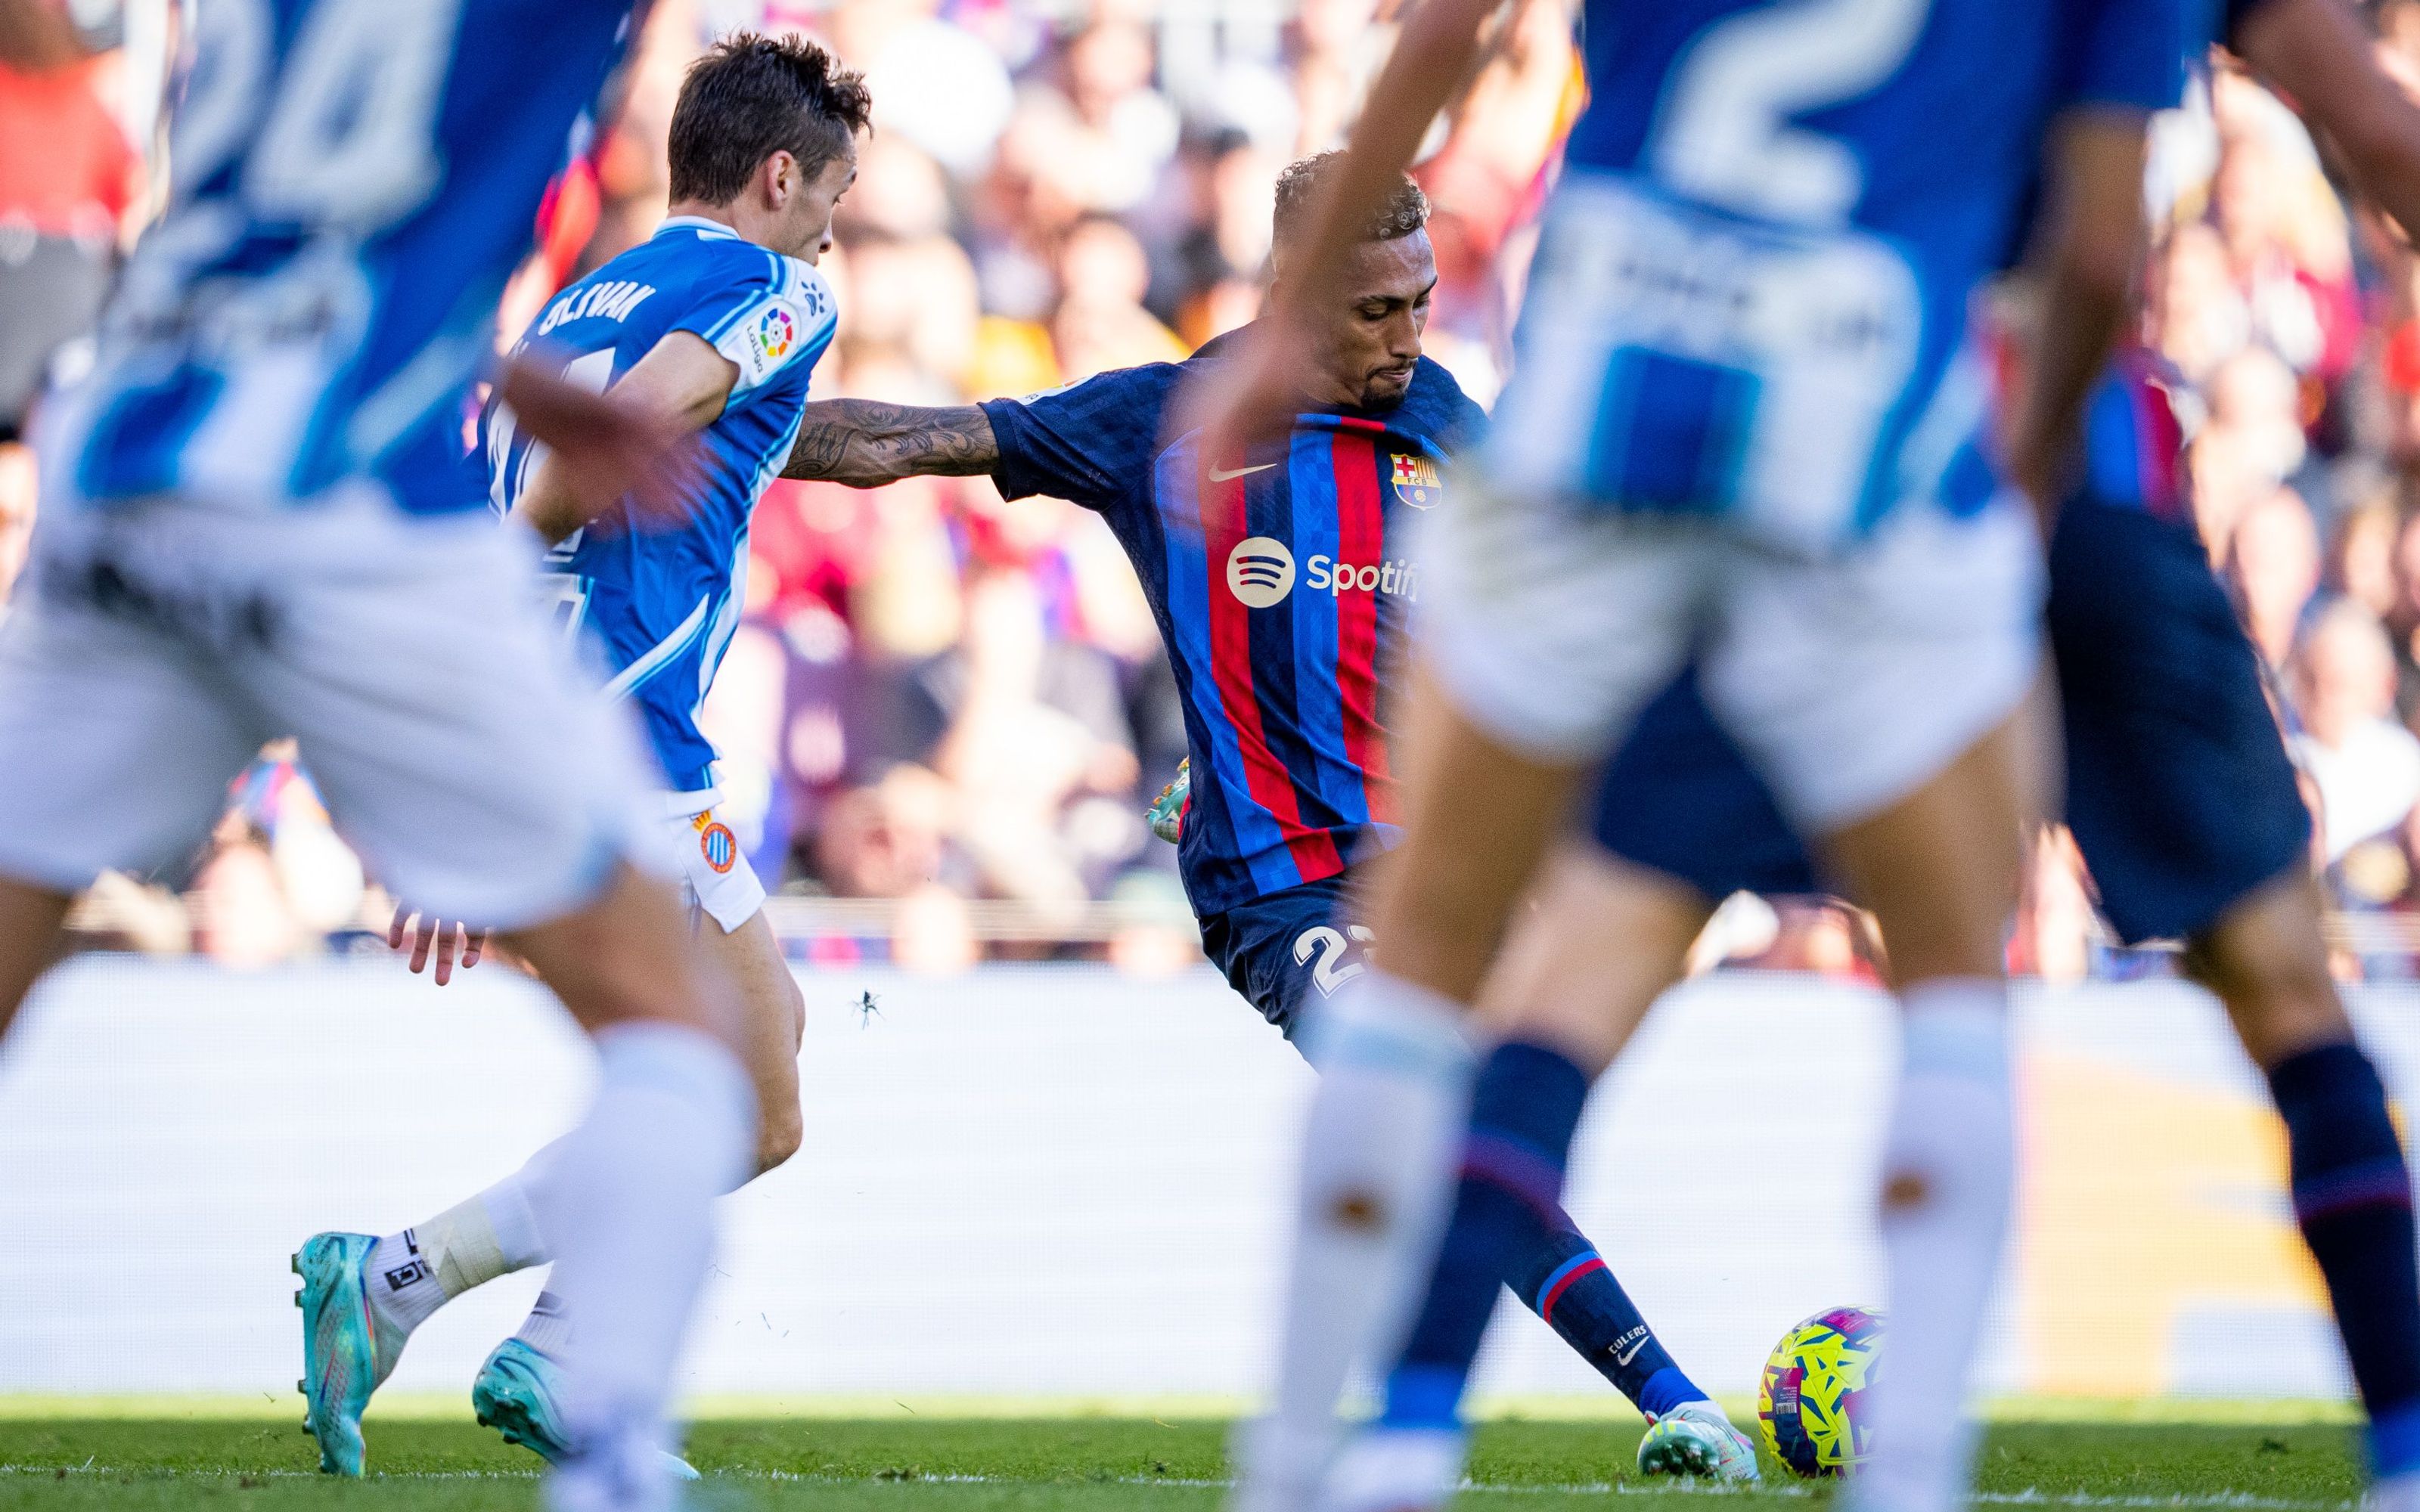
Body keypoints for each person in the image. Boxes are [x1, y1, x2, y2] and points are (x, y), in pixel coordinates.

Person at [1185, 3, 2181, 1512]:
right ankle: (1909, 1473)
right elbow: (2101, 252)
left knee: (1448, 974)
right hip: (1863, 456)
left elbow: (1454, 28)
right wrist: (2027, 476)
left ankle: (1353, 1451)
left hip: (1607, 424)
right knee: (1954, 986)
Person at [1539, 5, 2420, 1503]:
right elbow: (2282, 173)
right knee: (2277, 980)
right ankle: (2403, 1438)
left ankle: (1395, 1424)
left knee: (1602, 960)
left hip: (1813, 484)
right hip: (2081, 485)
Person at [777, 151, 1758, 1483]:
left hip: (1437, 881)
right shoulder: (1171, 417)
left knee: (1469, 1131)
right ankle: (1672, 1403)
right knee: (1417, 1113)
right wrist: (718, 428)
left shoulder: (1448, 426)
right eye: (1373, 312)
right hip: (1277, 888)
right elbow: (910, 442)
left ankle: (1545, 1407)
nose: (1408, 337)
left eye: (1418, 301)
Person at [0, 2, 761, 1509]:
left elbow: (226, 162)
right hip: (341, 499)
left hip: (124, 457)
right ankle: (607, 1452)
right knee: (692, 1036)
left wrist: (498, 370)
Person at [299, 32, 865, 1476]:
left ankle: (429, 1297)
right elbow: (660, 410)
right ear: (780, 176)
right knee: (737, 1099)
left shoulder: (573, 298)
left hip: (547, 732)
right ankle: (509, 1338)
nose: (830, 237)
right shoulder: (780, 285)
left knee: (750, 1073)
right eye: (829, 204)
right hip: (628, 741)